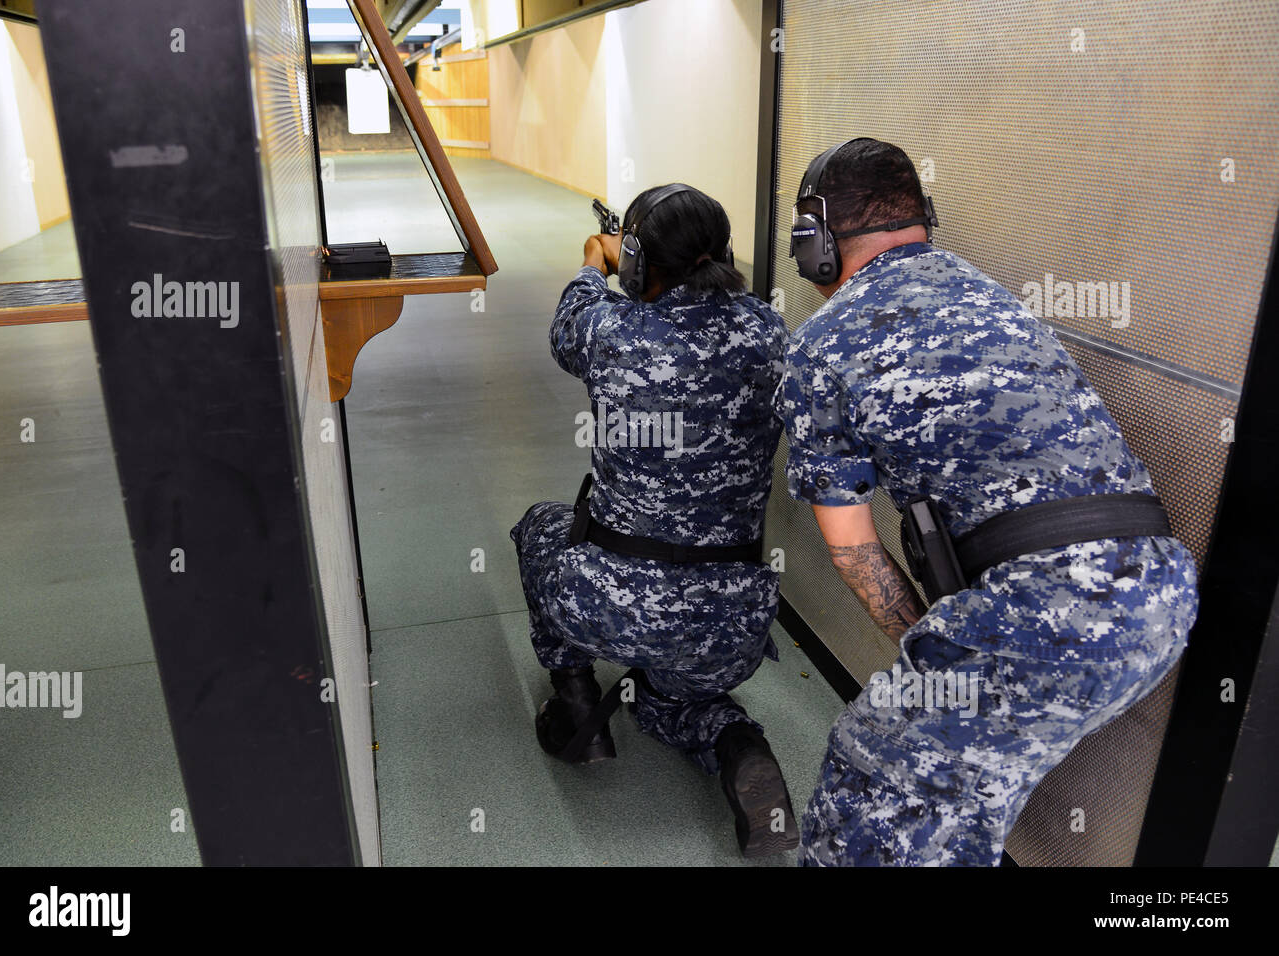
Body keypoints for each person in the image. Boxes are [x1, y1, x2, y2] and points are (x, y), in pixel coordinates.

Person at [778, 138, 1199, 866]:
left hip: (1048, 613)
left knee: (865, 803)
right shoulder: (987, 290)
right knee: (961, 800)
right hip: (1160, 595)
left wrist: (924, 643)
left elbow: (854, 550)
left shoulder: (824, 342)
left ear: (815, 243)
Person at [510, 183, 797, 856]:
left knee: (538, 526)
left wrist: (593, 259)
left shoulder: (608, 328)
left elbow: (567, 322)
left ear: (636, 262)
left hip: (606, 604)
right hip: (727, 623)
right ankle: (737, 743)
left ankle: (579, 702)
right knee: (680, 696)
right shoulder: (770, 331)